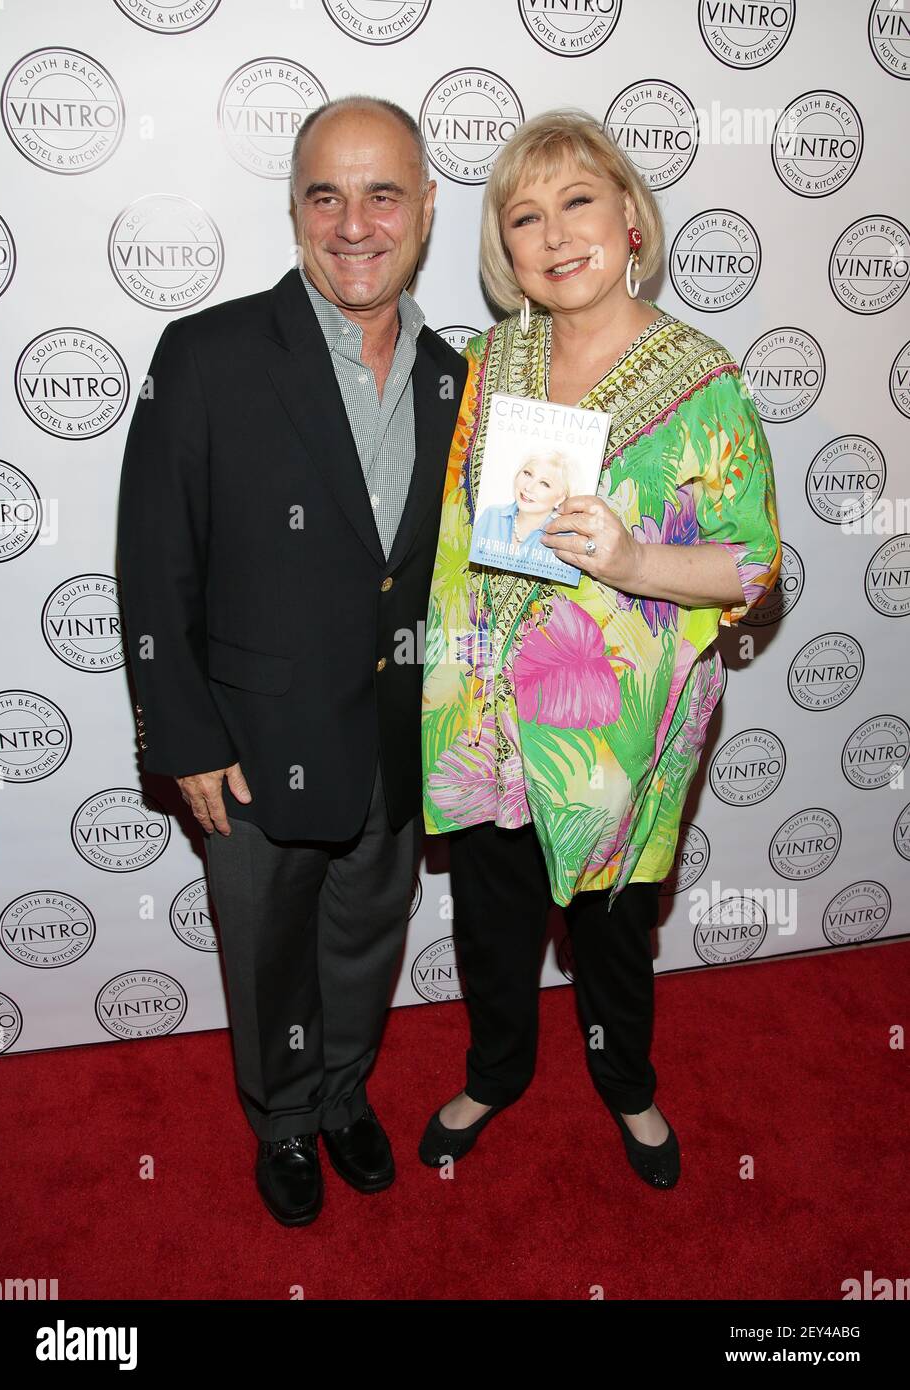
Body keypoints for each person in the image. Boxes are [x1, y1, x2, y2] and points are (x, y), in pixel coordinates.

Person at [116, 95, 468, 1226]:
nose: (354, 222)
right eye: (327, 194)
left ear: (423, 210)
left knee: (365, 940)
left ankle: (343, 1093)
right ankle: (281, 1119)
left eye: (382, 194)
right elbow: (154, 560)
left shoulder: (458, 379)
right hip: (255, 747)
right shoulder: (207, 354)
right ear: (294, 210)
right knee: (269, 953)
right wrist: (186, 735)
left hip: (394, 737)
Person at [418, 108, 782, 1189]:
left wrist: (630, 559)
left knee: (614, 928)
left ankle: (627, 1084)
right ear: (504, 250)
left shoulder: (702, 376)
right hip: (481, 719)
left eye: (578, 200)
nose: (554, 231)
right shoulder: (485, 363)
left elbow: (755, 567)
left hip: (617, 735)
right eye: (525, 216)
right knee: (491, 924)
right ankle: (495, 1071)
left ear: (629, 216)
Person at [470, 452, 572, 566]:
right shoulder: (492, 515)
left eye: (544, 483)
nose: (528, 487)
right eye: (528, 473)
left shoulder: (564, 539)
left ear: (560, 498)